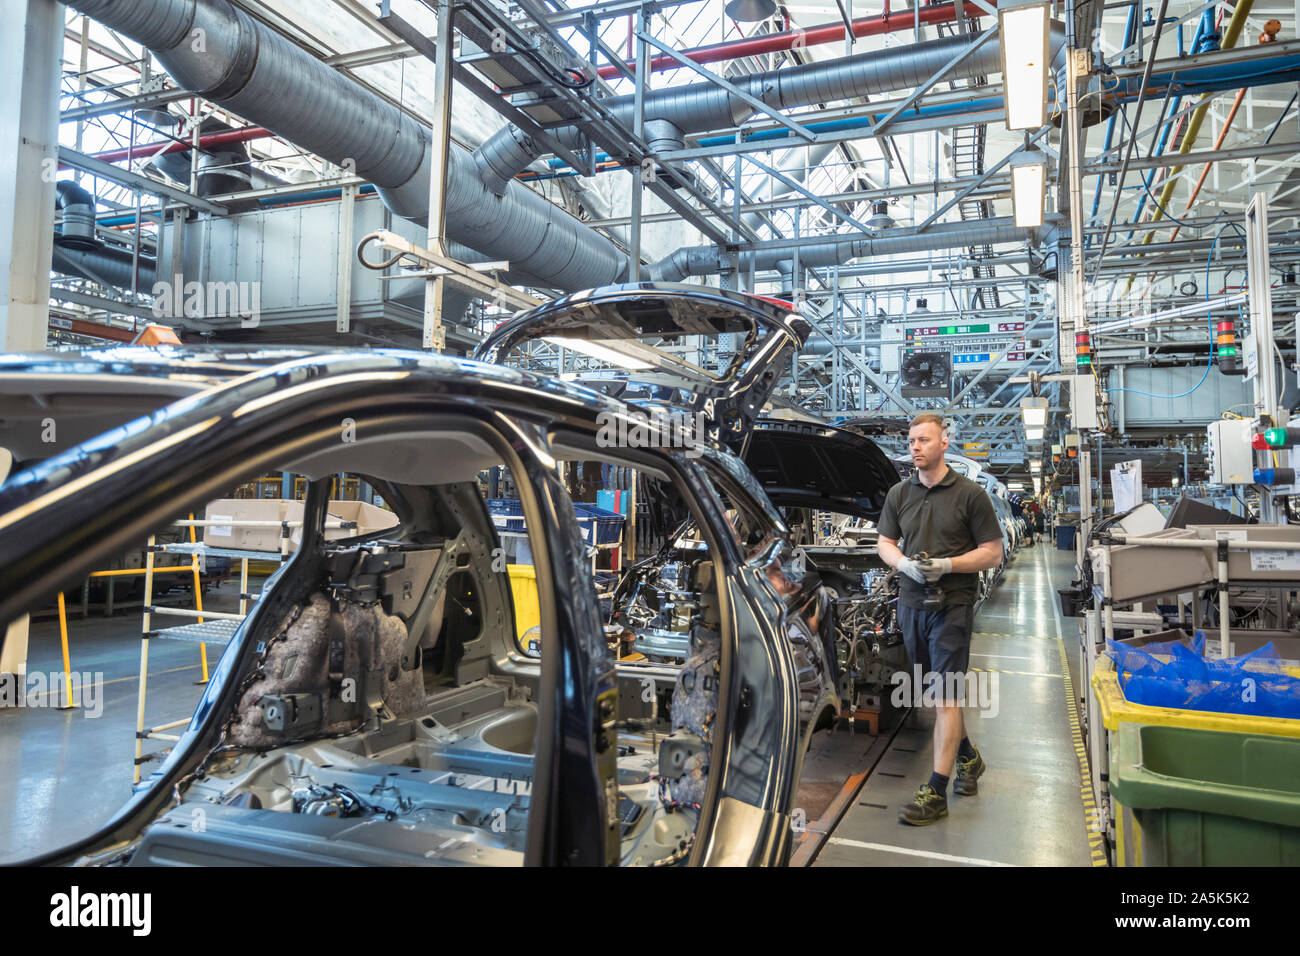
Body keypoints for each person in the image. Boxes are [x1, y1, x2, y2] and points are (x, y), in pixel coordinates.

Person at [876, 414, 1005, 825]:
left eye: (923, 440)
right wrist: (903, 565)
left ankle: (936, 790)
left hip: (952, 606)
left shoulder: (970, 495)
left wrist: (948, 565)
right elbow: (884, 542)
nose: (915, 447)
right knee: (933, 694)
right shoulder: (899, 493)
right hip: (911, 604)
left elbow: (993, 552)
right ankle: (969, 758)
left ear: (944, 442)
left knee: (946, 695)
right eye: (912, 441)